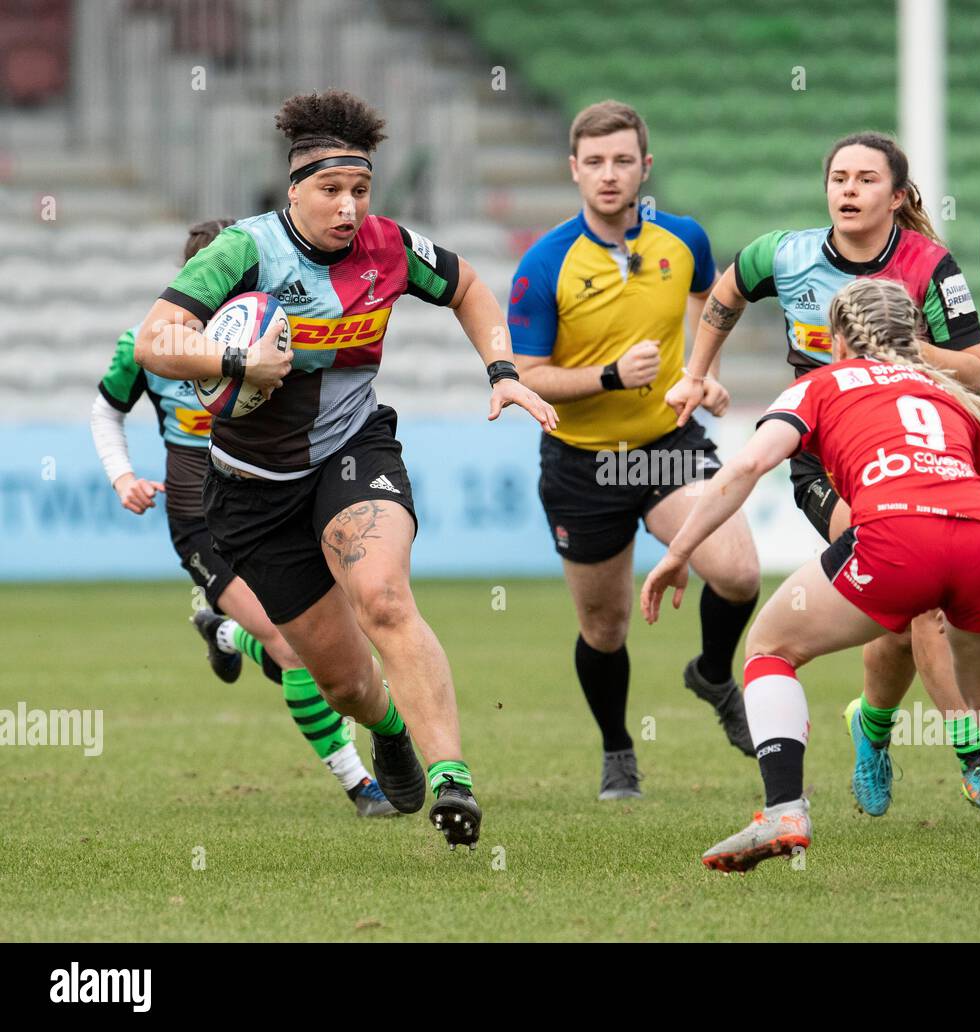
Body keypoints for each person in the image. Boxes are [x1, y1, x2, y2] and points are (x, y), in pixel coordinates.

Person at [135, 89, 556, 849]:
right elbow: (154, 342)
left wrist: (502, 368)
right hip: (252, 491)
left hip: (352, 451)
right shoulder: (244, 251)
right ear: (294, 189)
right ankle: (388, 730)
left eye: (360, 190)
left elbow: (467, 287)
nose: (349, 206)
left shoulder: (389, 247)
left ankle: (453, 777)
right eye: (331, 190)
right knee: (343, 682)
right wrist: (235, 358)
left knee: (385, 597)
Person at [643, 277, 980, 892]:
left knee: (771, 648)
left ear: (837, 339)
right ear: (916, 337)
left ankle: (784, 812)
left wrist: (679, 550)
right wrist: (969, 583)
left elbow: (748, 464)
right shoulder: (950, 395)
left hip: (895, 540)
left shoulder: (819, 384)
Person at [666, 131, 980, 817]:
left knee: (903, 614)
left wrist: (889, 345)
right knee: (918, 593)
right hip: (825, 452)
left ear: (897, 197)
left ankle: (869, 727)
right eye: (839, 177)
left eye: (866, 179)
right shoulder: (784, 253)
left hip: (913, 441)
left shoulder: (929, 264)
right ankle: (970, 750)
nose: (847, 189)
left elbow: (976, 366)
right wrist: (697, 373)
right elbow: (726, 293)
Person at [91, 218, 395, 818]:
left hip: (269, 505)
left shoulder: (275, 336)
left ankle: (225, 631)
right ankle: (360, 782)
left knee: (332, 644)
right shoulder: (148, 346)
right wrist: (123, 476)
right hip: (198, 519)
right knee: (290, 647)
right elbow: (105, 411)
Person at [508, 100, 761, 800]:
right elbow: (529, 378)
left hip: (667, 448)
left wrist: (701, 375)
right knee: (606, 626)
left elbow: (714, 301)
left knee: (738, 572)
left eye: (623, 160)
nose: (609, 174)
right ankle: (618, 749)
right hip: (582, 464)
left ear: (645, 166)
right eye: (594, 162)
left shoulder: (684, 240)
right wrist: (611, 376)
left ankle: (712, 672)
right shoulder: (543, 264)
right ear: (574, 170)